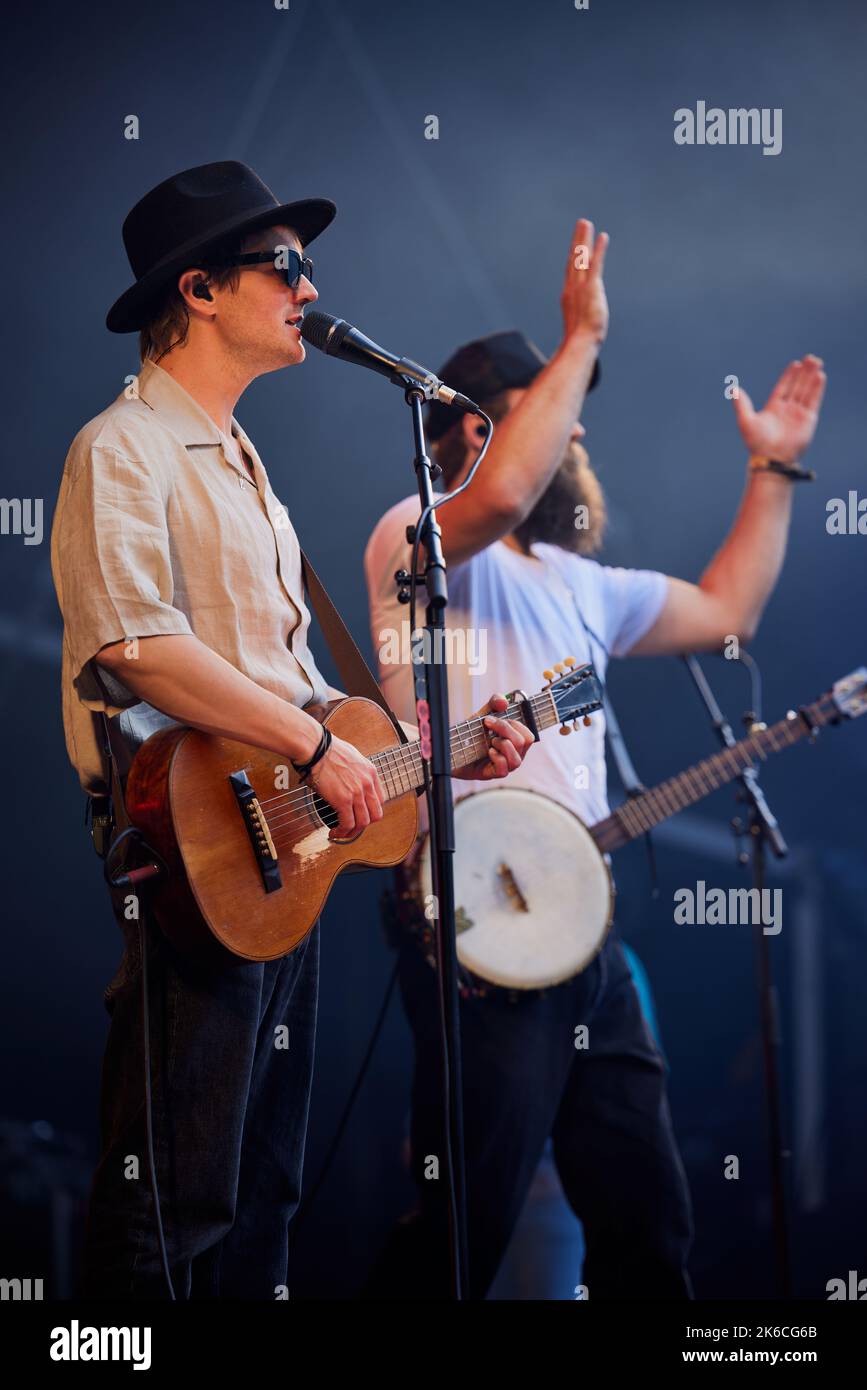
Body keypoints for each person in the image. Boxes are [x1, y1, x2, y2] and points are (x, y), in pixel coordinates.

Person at [50, 160, 534, 1299]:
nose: (310, 289)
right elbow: (135, 644)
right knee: (173, 1202)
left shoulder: (251, 472)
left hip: (283, 863)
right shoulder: (122, 447)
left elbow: (300, 685)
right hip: (191, 854)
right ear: (203, 289)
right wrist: (318, 747)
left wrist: (448, 749)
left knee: (263, 1195)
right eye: (287, 265)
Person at [363, 218, 826, 1299]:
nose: (575, 434)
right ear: (476, 426)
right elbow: (509, 493)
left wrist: (773, 468)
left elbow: (726, 612)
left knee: (646, 1219)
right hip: (473, 911)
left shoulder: (580, 584)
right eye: (550, 411)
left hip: (585, 924)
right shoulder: (420, 531)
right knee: (464, 1223)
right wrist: (581, 335)